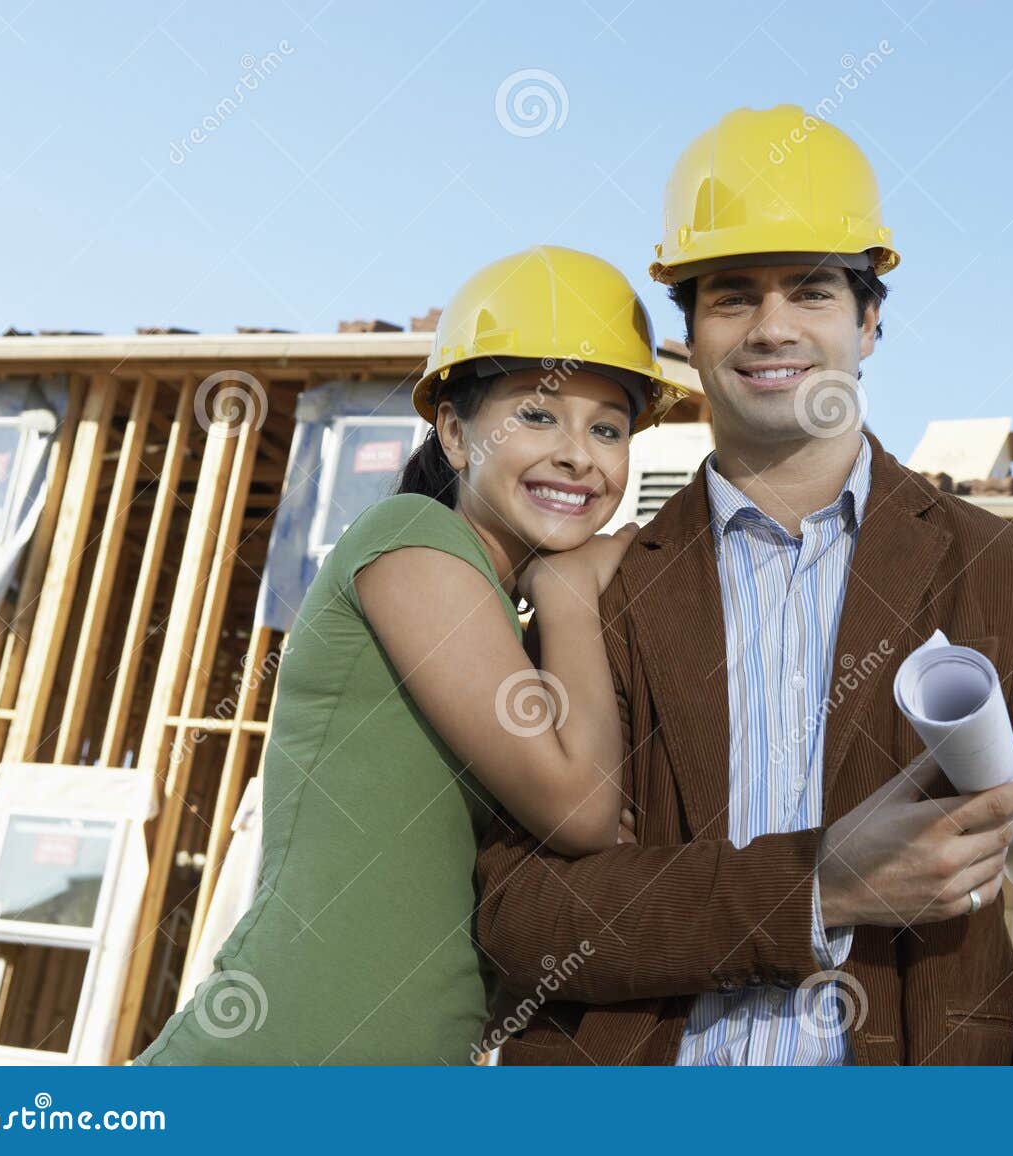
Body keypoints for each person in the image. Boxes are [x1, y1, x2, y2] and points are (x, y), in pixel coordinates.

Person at [475, 106, 1013, 1065]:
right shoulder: (599, 590)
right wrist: (817, 884)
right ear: (693, 332)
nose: (771, 328)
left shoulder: (1005, 575)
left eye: (811, 291)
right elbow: (522, 917)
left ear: (870, 321)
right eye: (731, 296)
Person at [134, 245, 688, 1065]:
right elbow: (581, 809)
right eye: (537, 415)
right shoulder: (409, 538)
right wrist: (572, 597)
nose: (580, 453)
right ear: (457, 433)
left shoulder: (505, 625)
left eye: (608, 428)